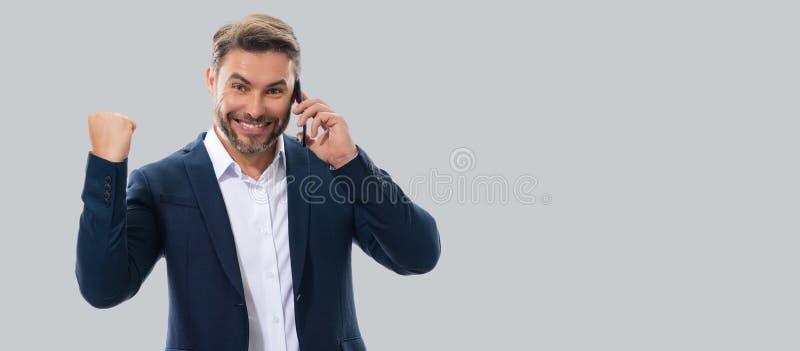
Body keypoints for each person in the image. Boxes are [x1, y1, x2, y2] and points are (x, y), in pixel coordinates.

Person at [76, 14, 441, 351]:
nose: (255, 108)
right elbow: (103, 289)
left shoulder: (331, 173)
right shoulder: (161, 184)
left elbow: (419, 255)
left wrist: (351, 164)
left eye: (274, 91)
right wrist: (108, 164)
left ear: (296, 94)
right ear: (210, 81)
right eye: (240, 86)